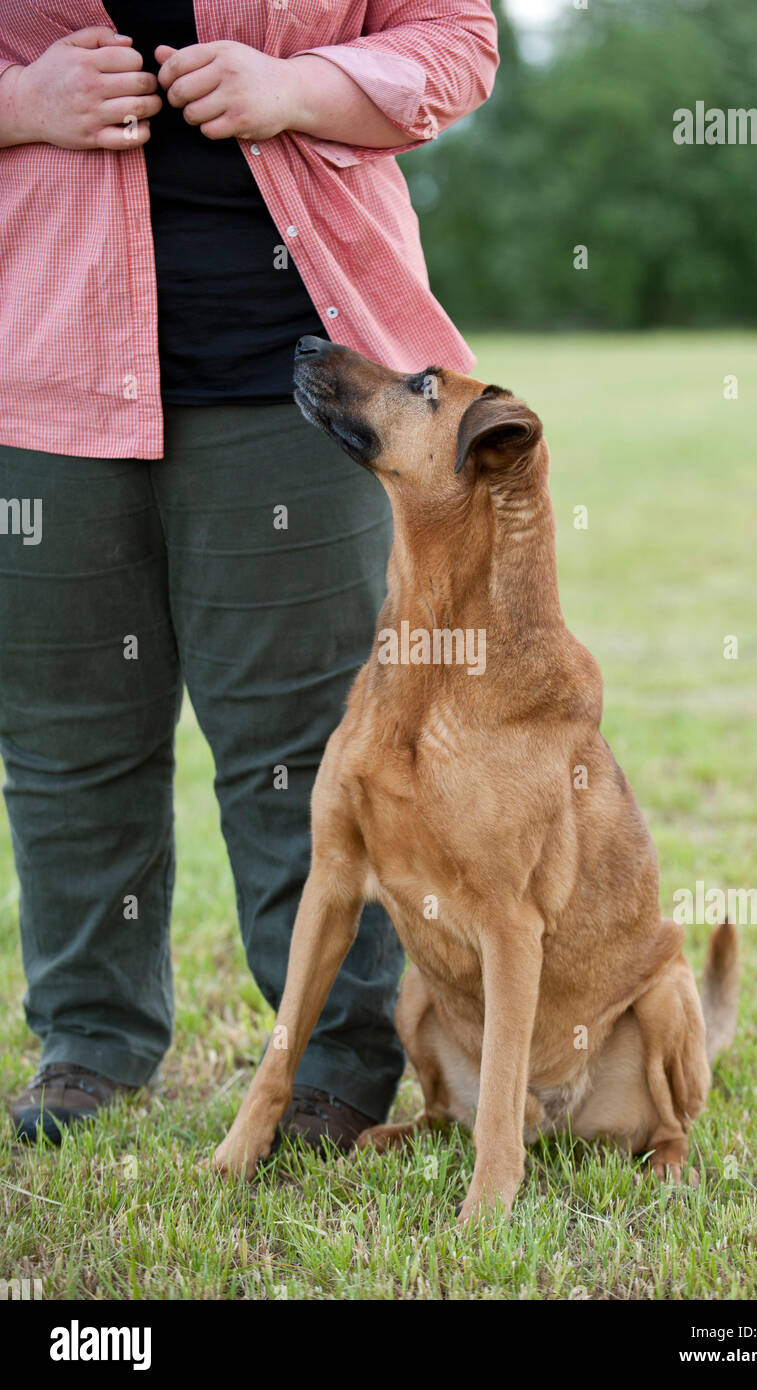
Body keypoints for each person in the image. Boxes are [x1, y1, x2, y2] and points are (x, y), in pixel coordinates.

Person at [0, 1, 498, 1151]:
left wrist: (296, 88)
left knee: (307, 750)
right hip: (37, 360)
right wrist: (24, 104)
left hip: (303, 373)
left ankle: (333, 1058)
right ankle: (89, 1040)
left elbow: (456, 39)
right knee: (66, 736)